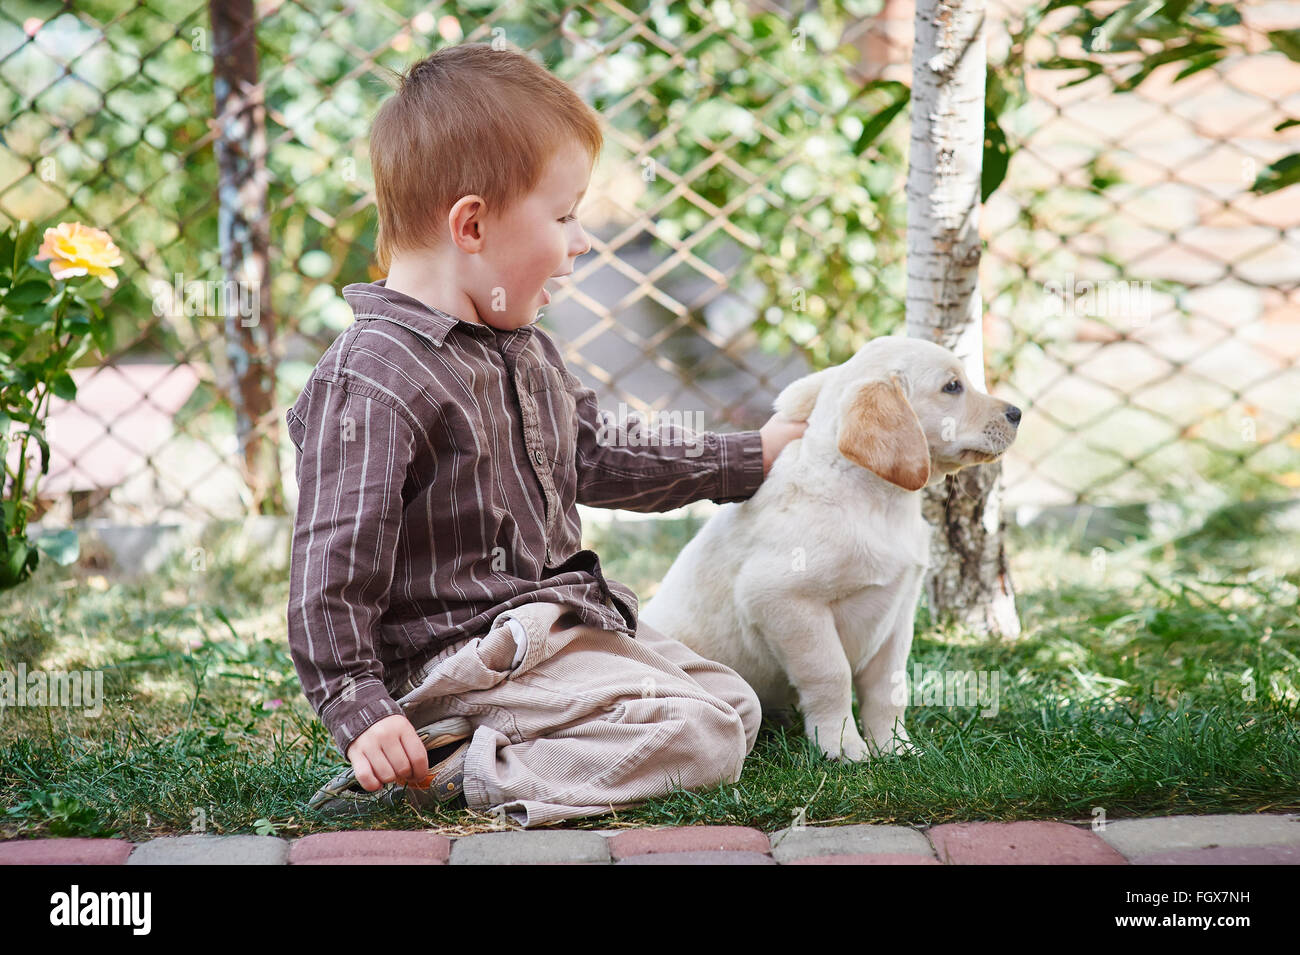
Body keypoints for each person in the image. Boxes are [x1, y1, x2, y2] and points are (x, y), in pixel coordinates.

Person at [285, 42, 807, 827]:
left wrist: (749, 455)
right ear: (471, 225)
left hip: (548, 629)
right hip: (457, 660)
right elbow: (330, 572)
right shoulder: (374, 378)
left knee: (731, 700)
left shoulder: (520, 349)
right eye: (563, 216)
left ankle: (499, 741)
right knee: (701, 733)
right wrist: (360, 706)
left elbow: (594, 454)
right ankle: (464, 768)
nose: (581, 242)